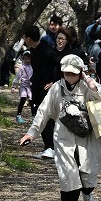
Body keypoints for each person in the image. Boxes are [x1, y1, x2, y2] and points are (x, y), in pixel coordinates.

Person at [19, 54, 101, 201]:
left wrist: (89, 81)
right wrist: (32, 133)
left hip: (88, 136)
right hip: (64, 136)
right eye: (67, 73)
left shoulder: (86, 86)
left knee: (88, 172)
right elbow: (43, 111)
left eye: (74, 73)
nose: (70, 76)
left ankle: (88, 193)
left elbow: (100, 96)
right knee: (68, 174)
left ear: (80, 72)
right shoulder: (56, 88)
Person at [22, 25, 61, 158]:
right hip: (37, 88)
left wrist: (53, 81)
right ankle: (48, 146)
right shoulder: (33, 50)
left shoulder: (45, 49)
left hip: (46, 89)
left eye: (24, 37)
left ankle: (51, 147)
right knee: (40, 116)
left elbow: (59, 64)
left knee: (46, 117)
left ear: (28, 38)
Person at [11, 49, 34, 124]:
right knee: (23, 98)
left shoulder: (33, 66)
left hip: (31, 86)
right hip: (23, 86)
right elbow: (17, 77)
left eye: (29, 58)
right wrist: (14, 86)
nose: (27, 60)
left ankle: (34, 115)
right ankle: (18, 115)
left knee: (31, 100)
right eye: (25, 59)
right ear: (23, 59)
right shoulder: (22, 67)